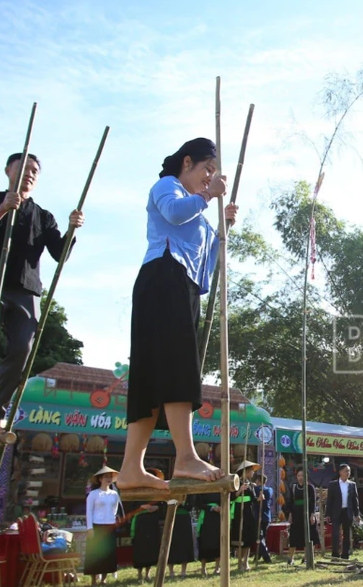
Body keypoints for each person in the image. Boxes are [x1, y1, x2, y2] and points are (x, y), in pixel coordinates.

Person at [117, 138, 239, 491]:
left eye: (213, 174)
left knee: (154, 375)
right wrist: (207, 197)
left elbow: (209, 263)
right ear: (188, 163)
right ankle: (185, 456)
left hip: (181, 287)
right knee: (176, 368)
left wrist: (223, 233)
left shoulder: (198, 213)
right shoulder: (166, 186)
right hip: (163, 278)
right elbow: (173, 212)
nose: (209, 178)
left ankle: (129, 468)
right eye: (207, 170)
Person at [0, 152, 84, 439]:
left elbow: (59, 255)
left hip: (27, 289)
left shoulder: (44, 216)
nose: (29, 173)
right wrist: (3, 208)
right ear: (8, 170)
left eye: (35, 171)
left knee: (22, 350)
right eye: (24, 167)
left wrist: (71, 230)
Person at [85, 466, 121, 585]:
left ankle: (104, 579)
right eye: (106, 476)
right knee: (95, 553)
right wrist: (90, 528)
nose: (108, 479)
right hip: (97, 526)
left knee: (107, 553)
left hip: (109, 526)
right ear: (100, 479)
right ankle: (94, 580)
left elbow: (115, 510)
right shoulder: (94, 494)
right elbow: (89, 511)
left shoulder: (114, 494)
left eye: (110, 477)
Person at [230, 461, 260, 572]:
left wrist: (258, 499)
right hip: (239, 510)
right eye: (251, 471)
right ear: (246, 471)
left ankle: (246, 561)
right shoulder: (236, 482)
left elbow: (253, 499)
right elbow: (231, 497)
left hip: (249, 512)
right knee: (239, 537)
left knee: (247, 538)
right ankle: (239, 561)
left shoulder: (251, 484)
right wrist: (239, 491)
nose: (253, 473)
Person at [286, 469, 321, 565]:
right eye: (298, 476)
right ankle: (290, 558)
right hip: (296, 514)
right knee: (294, 536)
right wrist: (290, 514)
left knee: (310, 535)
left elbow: (313, 502)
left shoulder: (310, 487)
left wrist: (312, 514)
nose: (300, 478)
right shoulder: (293, 487)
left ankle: (307, 557)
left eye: (302, 476)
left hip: (307, 514)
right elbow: (290, 502)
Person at [326, 464, 360, 560]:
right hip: (336, 512)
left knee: (347, 534)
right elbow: (330, 501)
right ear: (340, 472)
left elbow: (355, 501)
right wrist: (327, 514)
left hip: (347, 511)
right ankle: (335, 554)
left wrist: (357, 514)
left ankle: (345, 554)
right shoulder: (333, 484)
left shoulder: (352, 485)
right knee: (335, 533)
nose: (348, 473)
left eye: (349, 471)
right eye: (346, 471)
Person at [129, 503, 160, 583]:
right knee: (140, 547)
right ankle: (139, 573)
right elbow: (131, 505)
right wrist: (141, 506)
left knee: (150, 547)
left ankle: (147, 573)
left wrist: (156, 507)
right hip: (140, 521)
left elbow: (162, 503)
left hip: (152, 522)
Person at [194, 493, 222, 577]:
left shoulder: (220, 489)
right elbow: (198, 504)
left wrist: (221, 507)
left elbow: (226, 500)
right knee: (204, 541)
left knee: (217, 541)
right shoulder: (203, 490)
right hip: (206, 517)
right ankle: (203, 567)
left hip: (217, 517)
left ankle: (217, 567)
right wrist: (211, 508)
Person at [167, 500, 196, 578]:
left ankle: (183, 571)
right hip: (171, 516)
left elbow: (191, 506)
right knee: (171, 543)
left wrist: (182, 503)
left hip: (184, 519)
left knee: (184, 543)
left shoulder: (188, 495)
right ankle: (171, 571)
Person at [251, 473, 273, 563]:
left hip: (259, 516)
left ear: (258, 481)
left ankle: (266, 557)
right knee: (262, 537)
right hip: (267, 517)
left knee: (259, 538)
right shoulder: (270, 490)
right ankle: (258, 556)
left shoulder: (256, 489)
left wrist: (253, 486)